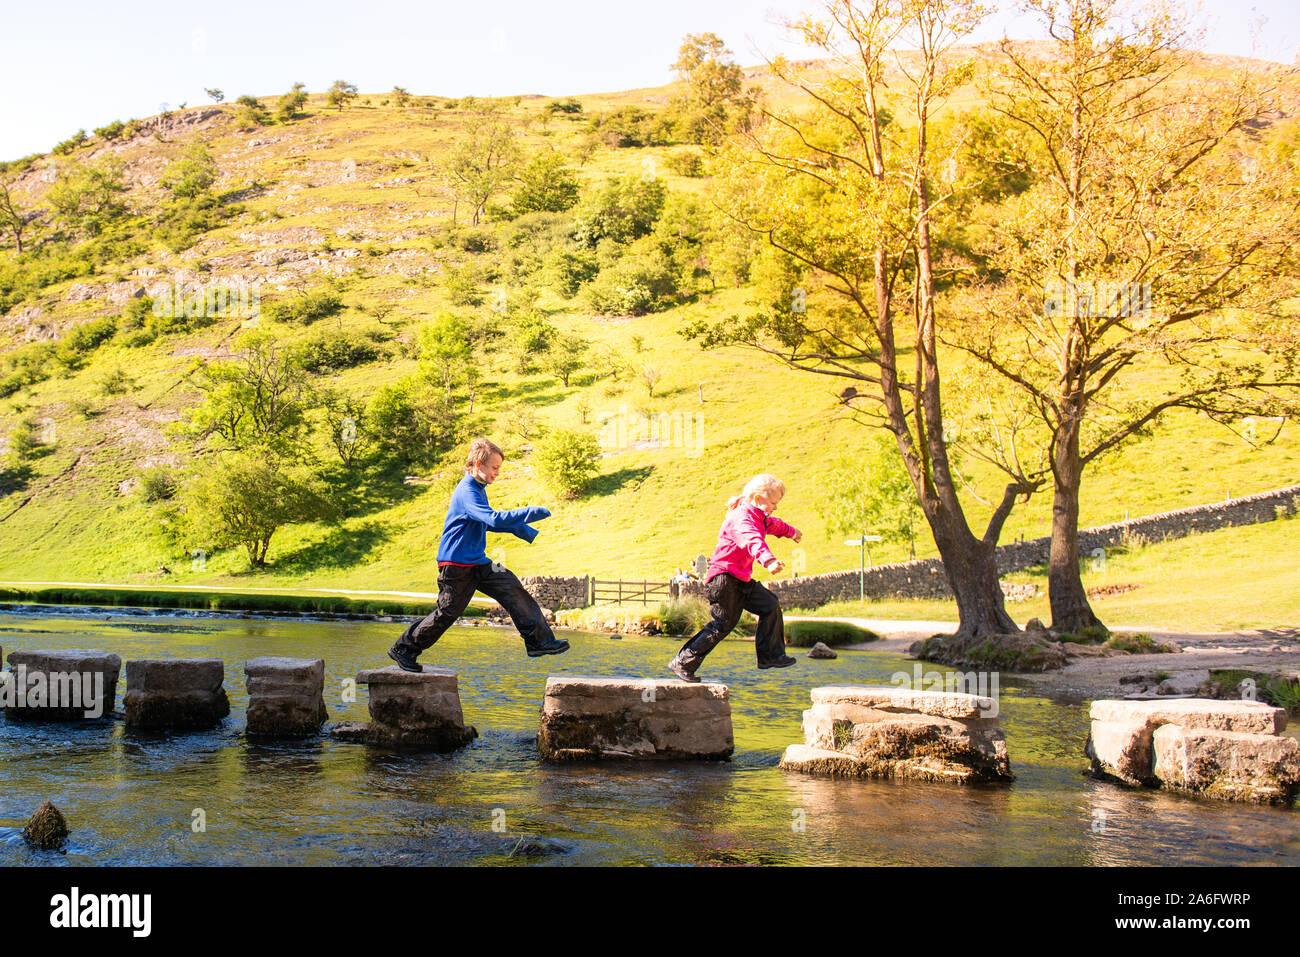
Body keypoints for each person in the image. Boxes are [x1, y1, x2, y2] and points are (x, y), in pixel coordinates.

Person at [387, 437, 570, 672]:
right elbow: (492, 518)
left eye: (498, 468)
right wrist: (527, 512)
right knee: (447, 613)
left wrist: (520, 529)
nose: (497, 473)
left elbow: (487, 522)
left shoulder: (478, 489)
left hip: (477, 562)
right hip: (456, 565)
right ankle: (404, 648)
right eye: (494, 468)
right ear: (476, 464)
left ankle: (540, 642)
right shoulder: (467, 491)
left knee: (512, 588)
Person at [668, 473, 801, 682]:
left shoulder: (758, 517)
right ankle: (683, 661)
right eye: (773, 503)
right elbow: (752, 539)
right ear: (757, 499)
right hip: (723, 579)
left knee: (770, 605)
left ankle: (771, 656)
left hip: (741, 580)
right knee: (721, 626)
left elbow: (772, 524)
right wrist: (768, 560)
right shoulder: (740, 519)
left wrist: (792, 532)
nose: (775, 507)